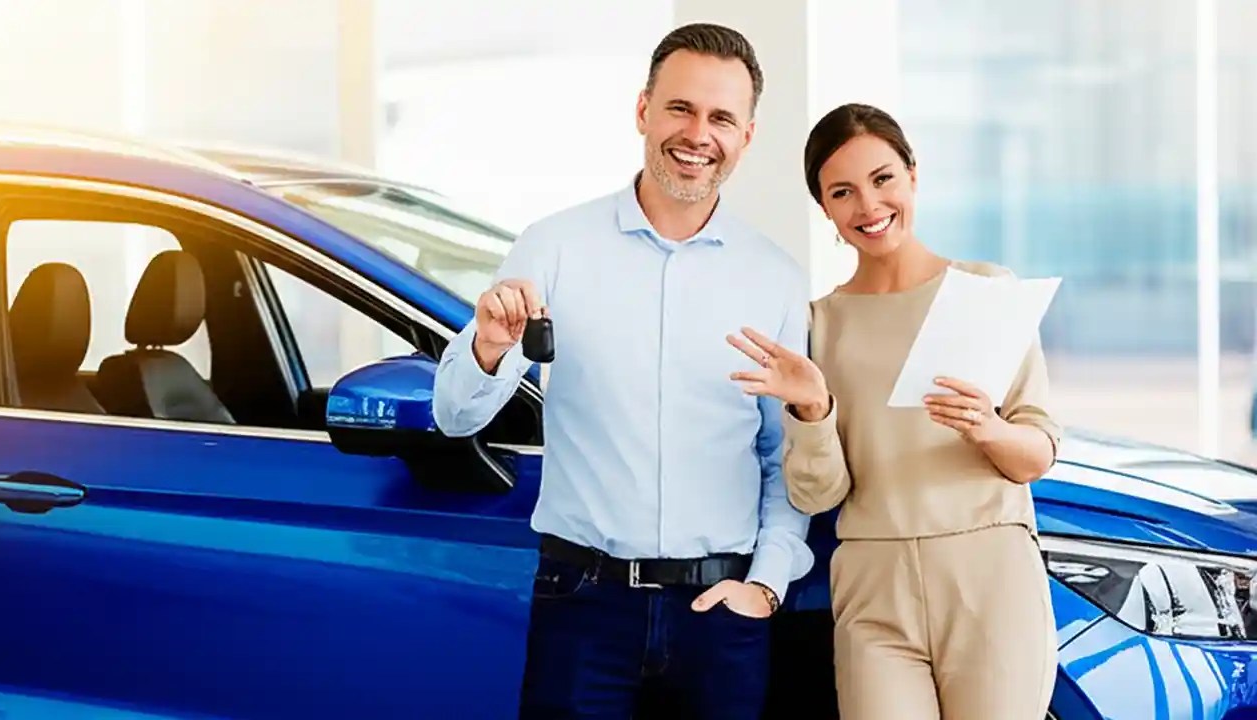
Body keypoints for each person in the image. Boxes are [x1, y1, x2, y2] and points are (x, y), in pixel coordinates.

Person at [430, 22, 814, 720]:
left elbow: (780, 459)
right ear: (643, 110)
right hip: (583, 608)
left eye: (721, 118)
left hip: (719, 617)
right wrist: (487, 347)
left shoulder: (775, 279)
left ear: (747, 136)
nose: (698, 134)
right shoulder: (552, 247)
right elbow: (456, 416)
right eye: (680, 108)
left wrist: (765, 585)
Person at [727, 102, 1060, 719]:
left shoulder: (987, 290)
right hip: (872, 582)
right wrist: (813, 409)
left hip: (990, 575)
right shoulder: (819, 325)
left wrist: (988, 428)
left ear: (912, 173)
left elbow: (1035, 455)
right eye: (843, 192)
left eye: (883, 179)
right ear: (825, 209)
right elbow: (817, 494)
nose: (869, 205)